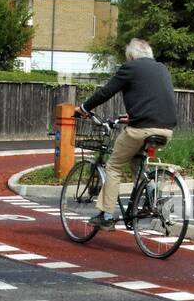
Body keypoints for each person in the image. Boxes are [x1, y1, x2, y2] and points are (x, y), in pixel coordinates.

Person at [76, 38, 179, 228]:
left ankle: (106, 216)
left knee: (114, 166)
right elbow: (153, 99)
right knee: (137, 163)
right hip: (166, 130)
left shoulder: (130, 68)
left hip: (141, 129)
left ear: (131, 56)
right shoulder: (162, 68)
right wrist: (132, 117)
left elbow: (105, 92)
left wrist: (84, 107)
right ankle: (152, 197)